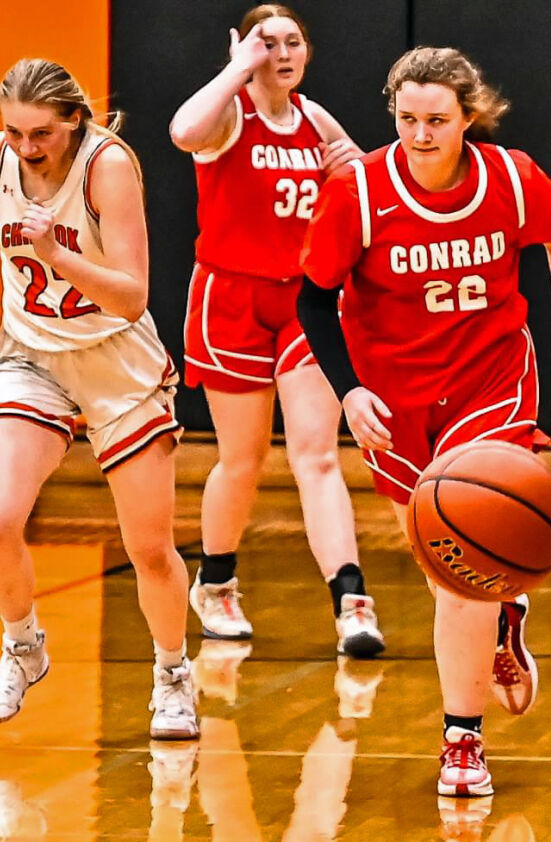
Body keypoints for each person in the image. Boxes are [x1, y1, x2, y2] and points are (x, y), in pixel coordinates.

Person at [297, 46, 551, 797]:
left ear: (469, 116)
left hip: (489, 380)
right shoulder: (359, 191)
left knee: (462, 572)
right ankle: (503, 613)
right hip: (395, 400)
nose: (421, 134)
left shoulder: (510, 178)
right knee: (445, 563)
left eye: (436, 119)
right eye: (406, 119)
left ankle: (461, 739)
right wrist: (348, 392)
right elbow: (311, 300)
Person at [0, 58, 198, 738]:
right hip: (32, 354)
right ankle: (23, 646)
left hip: (117, 361)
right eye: (15, 132)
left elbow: (132, 293)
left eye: (42, 134)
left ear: (75, 121)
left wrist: (58, 255)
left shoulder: (108, 167)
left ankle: (172, 671)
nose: (27, 148)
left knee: (148, 548)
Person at [170, 4, 384, 659]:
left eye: (292, 41)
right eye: (268, 42)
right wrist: (237, 70)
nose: (281, 52)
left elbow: (371, 183)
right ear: (247, 49)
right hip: (228, 297)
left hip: (303, 303)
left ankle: (351, 602)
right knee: (243, 458)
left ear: (307, 52)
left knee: (317, 453)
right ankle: (216, 581)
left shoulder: (316, 121)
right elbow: (182, 131)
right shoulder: (231, 114)